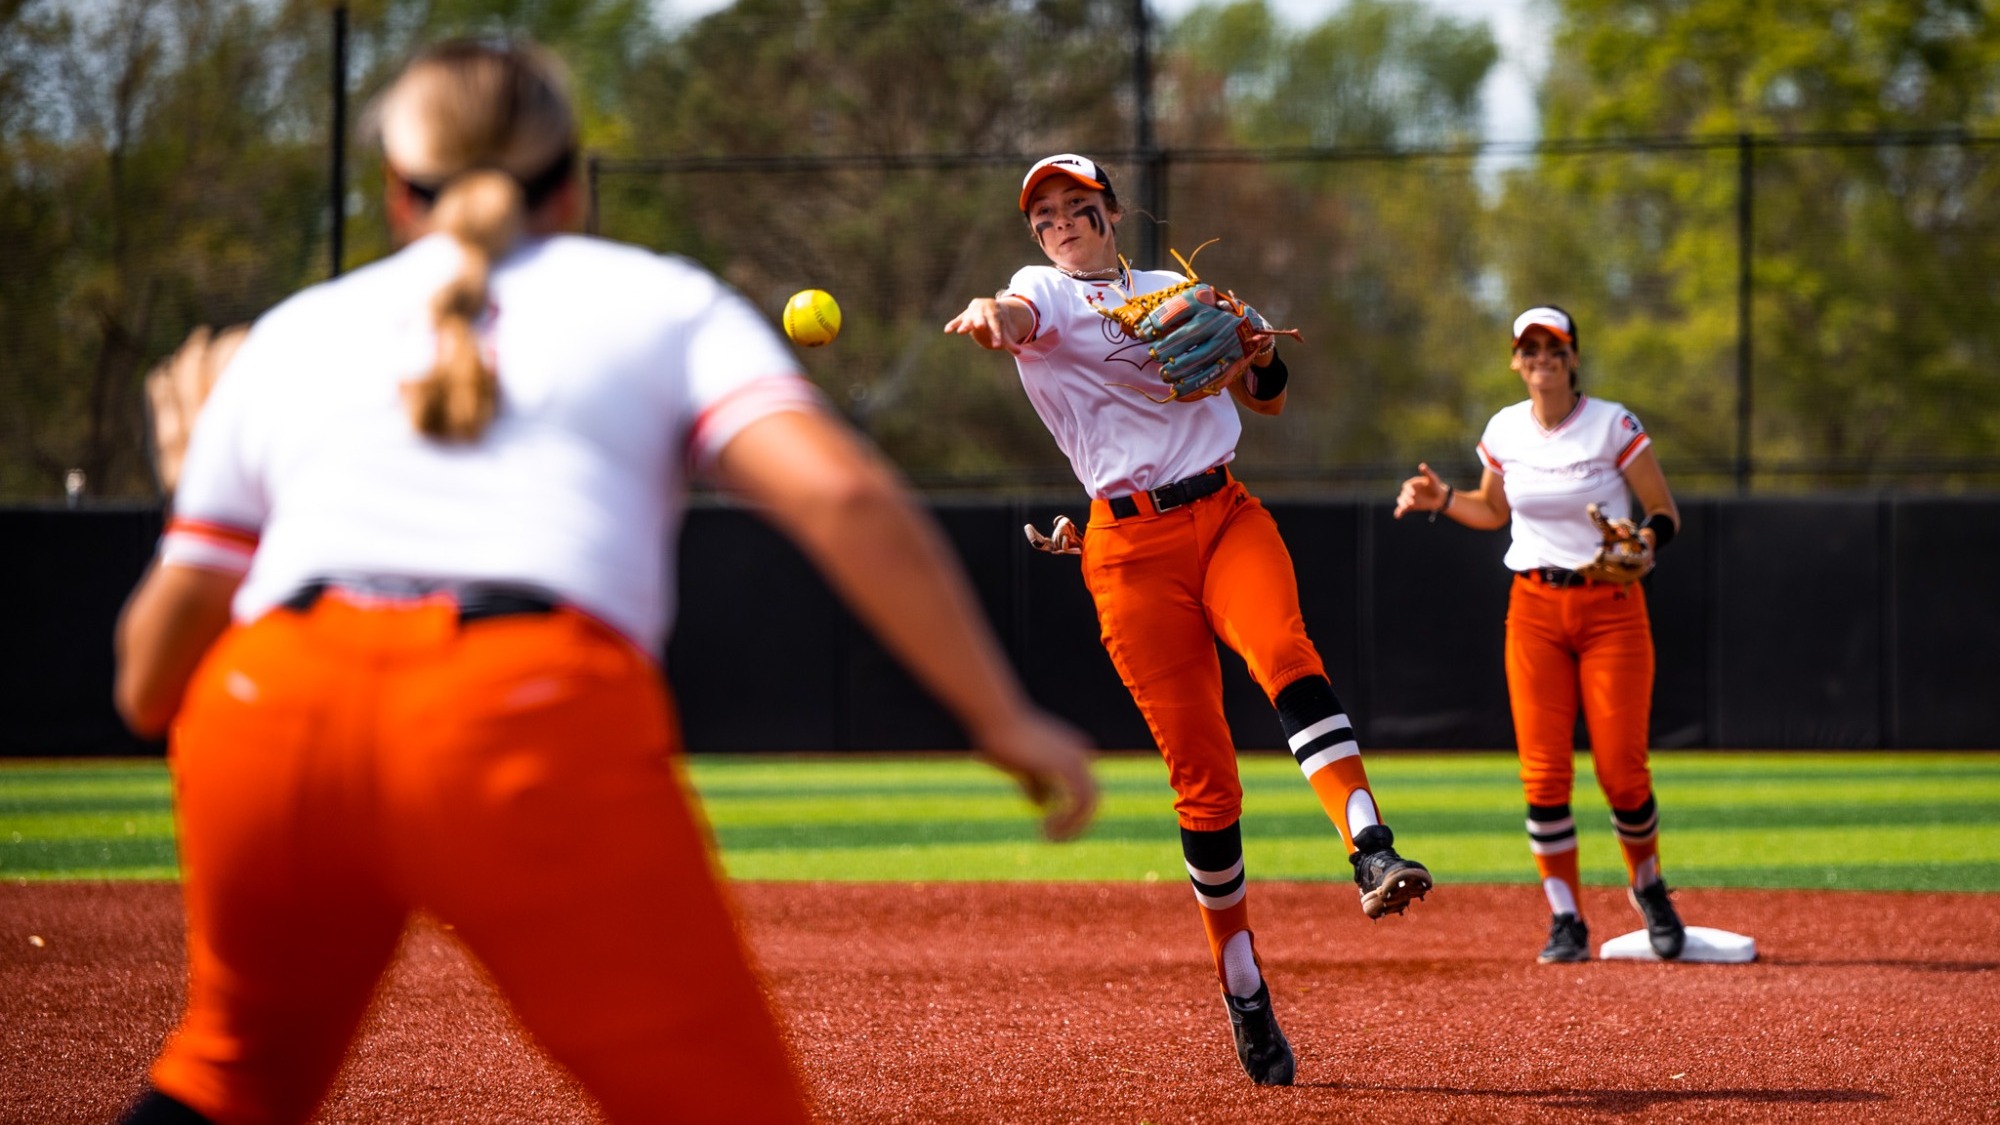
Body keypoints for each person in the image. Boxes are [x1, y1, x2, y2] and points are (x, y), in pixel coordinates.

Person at [111, 40, 1096, 1125]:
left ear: (397, 193)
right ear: (573, 182)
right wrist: (998, 716)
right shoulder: (661, 304)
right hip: (520, 715)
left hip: (269, 710)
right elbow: (842, 501)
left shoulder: (290, 337)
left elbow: (151, 693)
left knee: (229, 1078)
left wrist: (192, 498)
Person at [944, 153, 1432, 1087]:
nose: (1059, 220)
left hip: (1225, 512)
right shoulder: (1039, 290)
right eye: (1043, 211)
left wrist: (1259, 349)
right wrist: (989, 315)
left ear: (1112, 210)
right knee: (1204, 779)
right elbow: (1015, 317)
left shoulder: (1177, 287)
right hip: (1127, 553)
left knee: (1284, 649)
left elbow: (1271, 395)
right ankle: (1243, 983)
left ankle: (1371, 850)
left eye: (1076, 204)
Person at [1393, 305, 1687, 964]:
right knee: (1544, 775)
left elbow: (1663, 511)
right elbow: (1493, 509)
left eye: (1553, 345)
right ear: (1515, 359)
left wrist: (1643, 539)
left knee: (1621, 771)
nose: (1542, 357)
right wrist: (1444, 499)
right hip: (1534, 609)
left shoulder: (1613, 424)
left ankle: (1649, 888)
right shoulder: (1505, 428)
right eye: (1530, 346)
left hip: (1610, 604)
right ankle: (1566, 918)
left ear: (1573, 355)